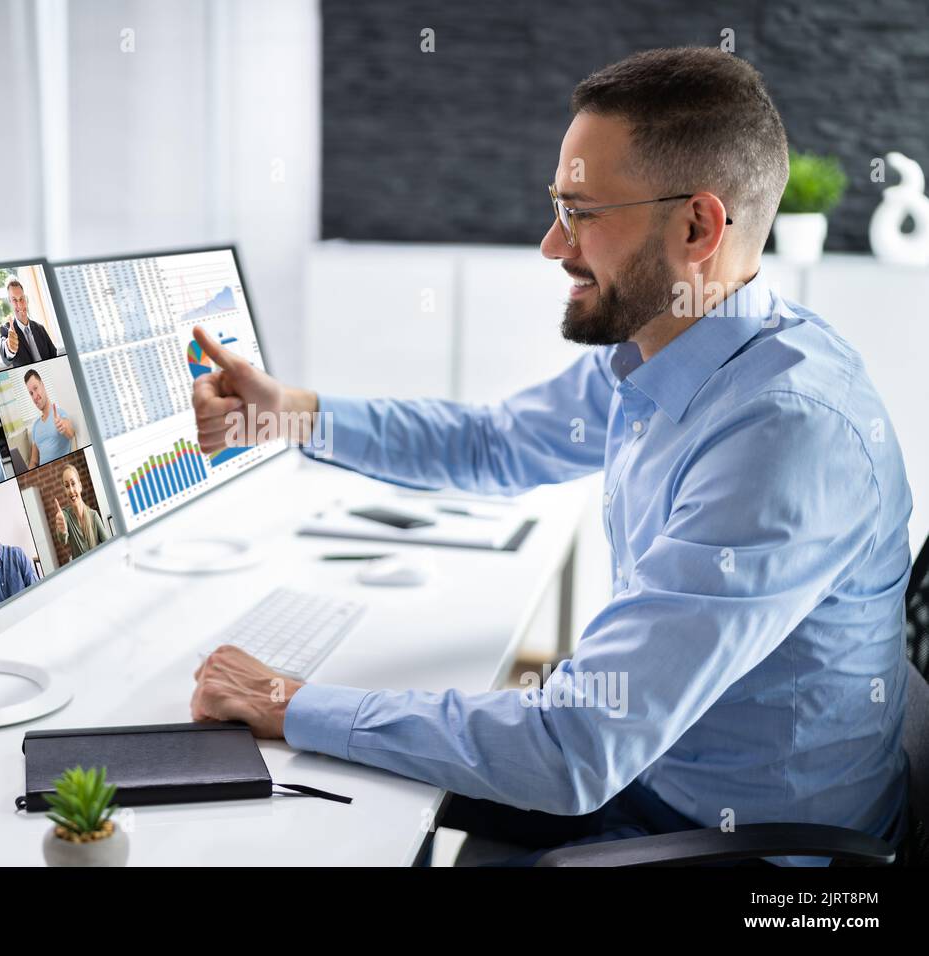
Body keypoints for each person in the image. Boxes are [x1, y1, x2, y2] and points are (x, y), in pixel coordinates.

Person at [187, 47, 913, 867]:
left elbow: (574, 745)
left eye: (581, 213)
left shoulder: (784, 434)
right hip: (657, 772)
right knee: (328, 801)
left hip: (755, 855)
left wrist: (293, 700)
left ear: (698, 227)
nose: (549, 245)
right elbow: (493, 442)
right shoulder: (671, 345)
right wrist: (291, 415)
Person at [0, 275, 59, 368]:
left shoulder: (40, 328)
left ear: (25, 299)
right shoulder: (7, 330)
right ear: (10, 302)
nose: (19, 304)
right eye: (14, 300)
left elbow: (54, 355)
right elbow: (6, 359)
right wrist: (9, 348)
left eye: (21, 298)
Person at [52, 463, 110, 558]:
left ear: (80, 486)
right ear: (64, 491)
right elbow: (63, 540)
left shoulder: (93, 515)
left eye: (73, 484)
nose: (71, 490)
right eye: (67, 486)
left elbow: (109, 545)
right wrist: (62, 530)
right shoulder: (65, 515)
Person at [24, 367, 75, 467]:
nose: (35, 397)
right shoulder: (35, 426)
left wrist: (63, 427)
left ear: (42, 385)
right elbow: (34, 461)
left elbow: (71, 433)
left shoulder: (59, 414)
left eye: (35, 388)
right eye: (31, 393)